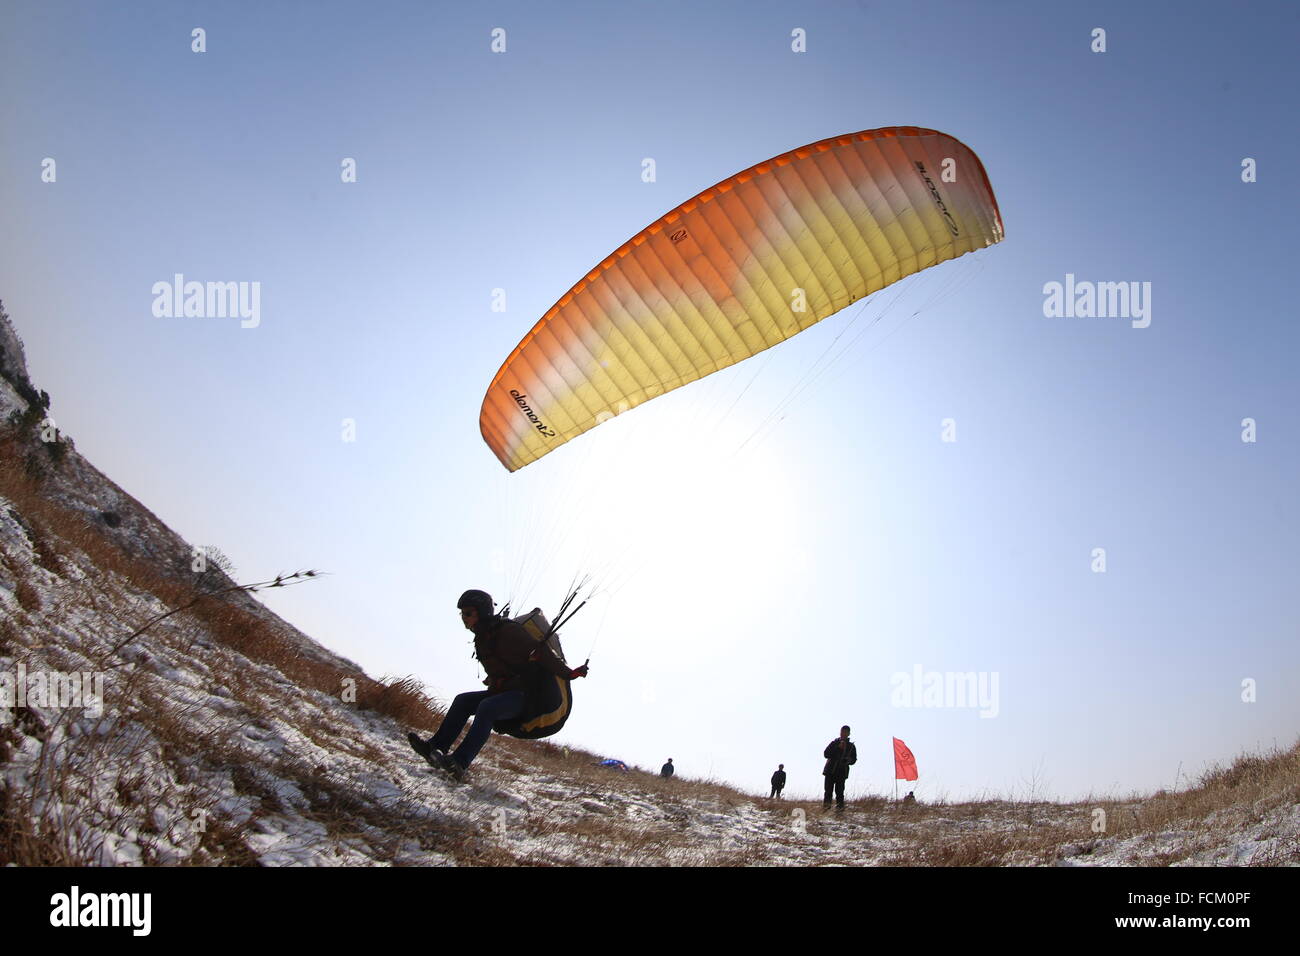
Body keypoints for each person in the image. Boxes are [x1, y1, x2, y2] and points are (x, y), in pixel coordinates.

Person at [408, 589, 588, 778]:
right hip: (506, 693)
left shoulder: (508, 630)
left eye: (468, 613)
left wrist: (569, 674)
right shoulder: (482, 638)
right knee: (463, 701)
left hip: (528, 698)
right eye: (462, 613)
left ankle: (459, 763)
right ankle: (435, 748)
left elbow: (542, 653)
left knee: (488, 707)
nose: (464, 618)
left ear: (482, 611)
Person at [822, 725, 857, 811]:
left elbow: (853, 760)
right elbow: (826, 754)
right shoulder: (834, 743)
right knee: (828, 792)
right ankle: (826, 810)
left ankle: (839, 812)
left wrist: (848, 760)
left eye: (845, 732)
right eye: (842, 731)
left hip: (841, 772)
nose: (843, 734)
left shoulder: (851, 746)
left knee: (840, 793)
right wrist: (838, 748)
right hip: (830, 771)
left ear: (849, 733)